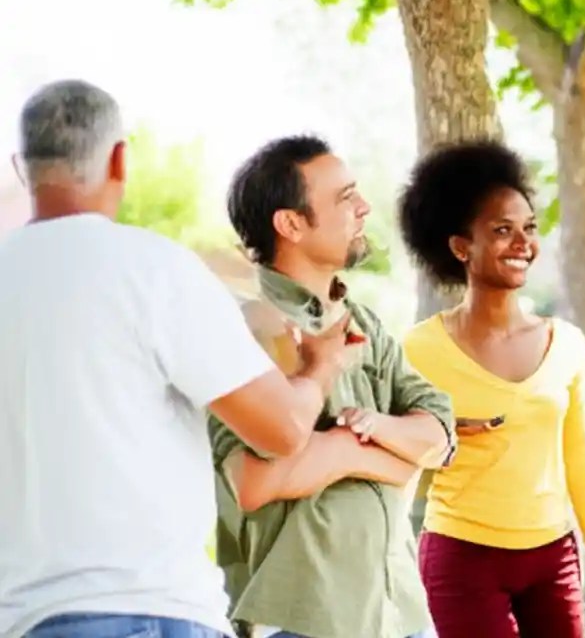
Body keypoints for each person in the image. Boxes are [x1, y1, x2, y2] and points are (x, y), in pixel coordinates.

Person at [0, 81, 349, 638]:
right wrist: (320, 369)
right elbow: (281, 428)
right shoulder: (155, 269)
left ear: (23, 167)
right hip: (151, 609)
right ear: (119, 159)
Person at [209, 136, 456, 638]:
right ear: (291, 223)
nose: (364, 208)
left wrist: (361, 438)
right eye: (345, 197)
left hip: (401, 610)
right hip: (308, 619)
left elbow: (440, 434)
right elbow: (253, 483)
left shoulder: (364, 322)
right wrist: (367, 450)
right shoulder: (245, 331)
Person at [398, 141, 585, 638]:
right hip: (462, 559)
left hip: (553, 559)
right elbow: (389, 458)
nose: (522, 242)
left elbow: (583, 461)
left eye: (528, 228)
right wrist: (436, 438)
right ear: (461, 247)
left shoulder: (566, 343)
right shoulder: (418, 349)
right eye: (502, 230)